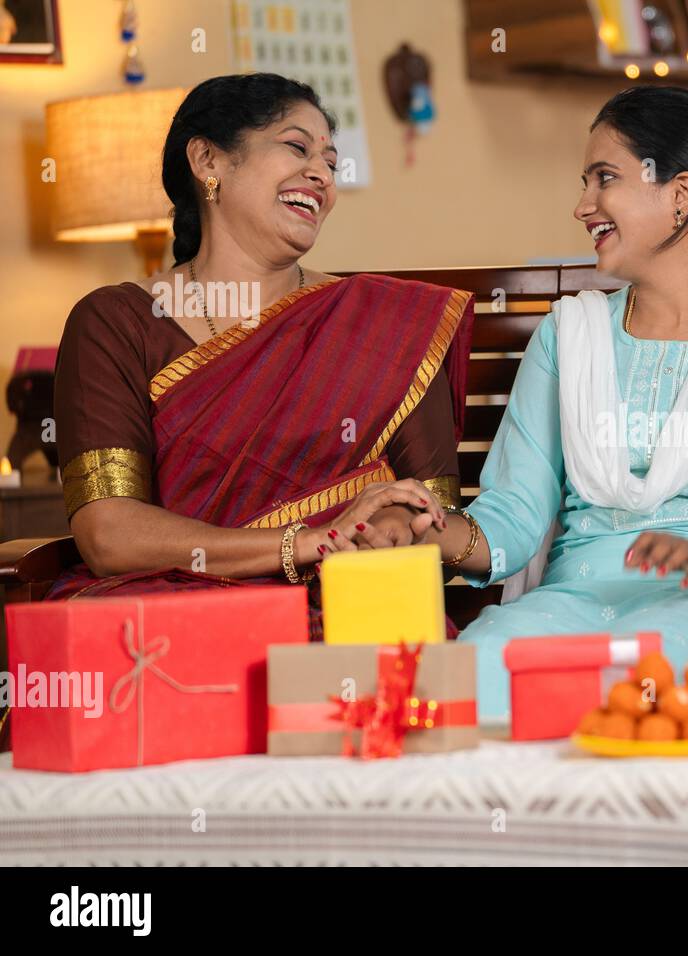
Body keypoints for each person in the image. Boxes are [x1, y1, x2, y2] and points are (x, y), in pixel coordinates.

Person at [417, 87, 688, 717]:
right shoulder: (570, 335)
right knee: (470, 672)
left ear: (681, 195)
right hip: (574, 604)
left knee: (652, 675)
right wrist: (427, 530)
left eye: (604, 179)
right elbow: (512, 520)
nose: (582, 206)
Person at [51, 73, 471, 636]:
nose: (321, 174)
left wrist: (389, 525)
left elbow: (435, 512)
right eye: (297, 147)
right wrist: (302, 544)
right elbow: (109, 534)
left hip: (348, 607)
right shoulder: (116, 323)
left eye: (330, 161)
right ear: (207, 160)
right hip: (174, 613)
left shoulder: (385, 323)